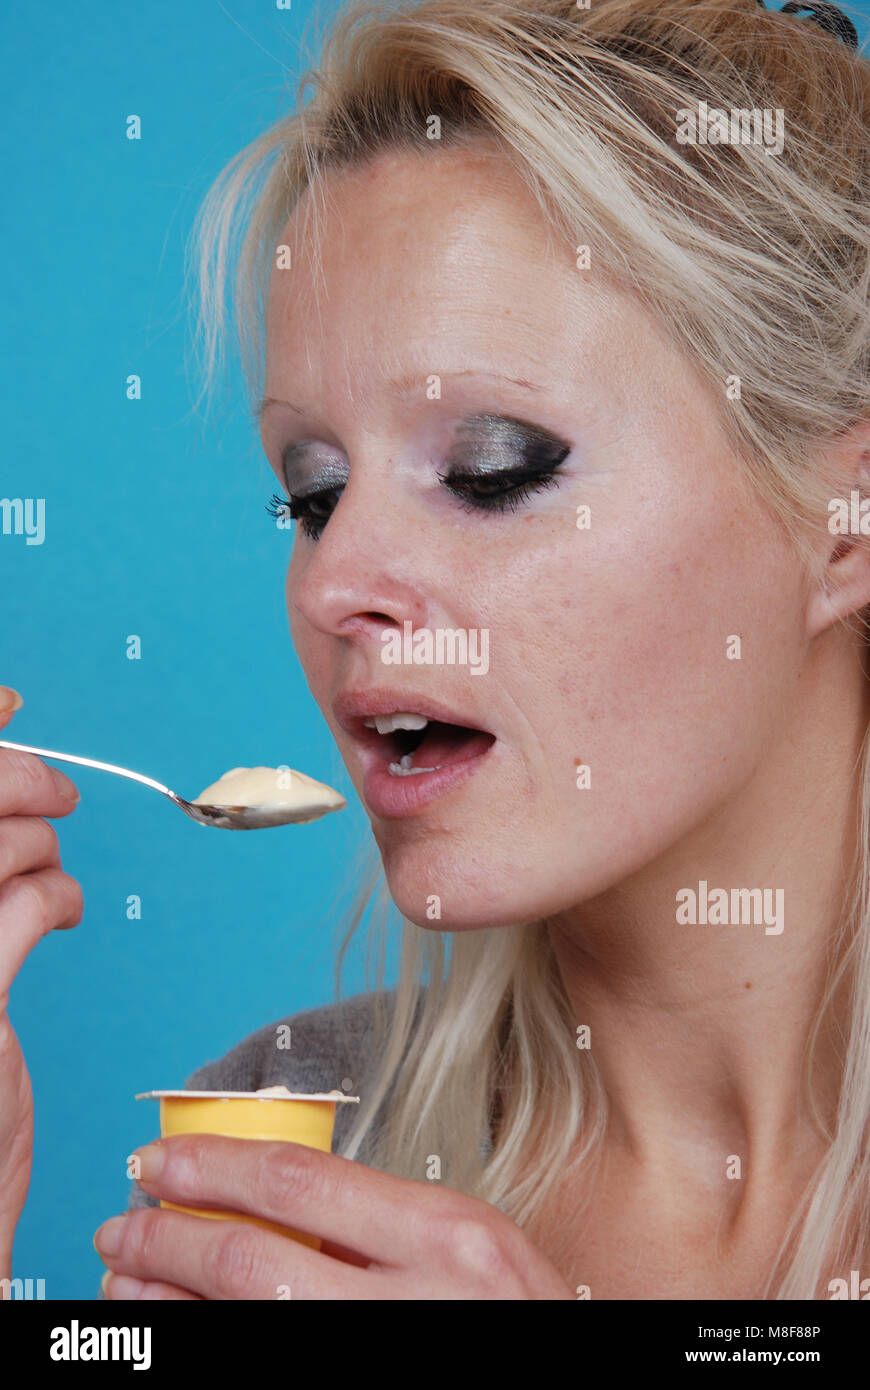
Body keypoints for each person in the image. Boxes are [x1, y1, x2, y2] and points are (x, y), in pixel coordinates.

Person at [3, 0, 870, 1300]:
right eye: (312, 495)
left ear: (842, 530)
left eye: (489, 467)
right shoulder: (286, 1148)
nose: (333, 579)